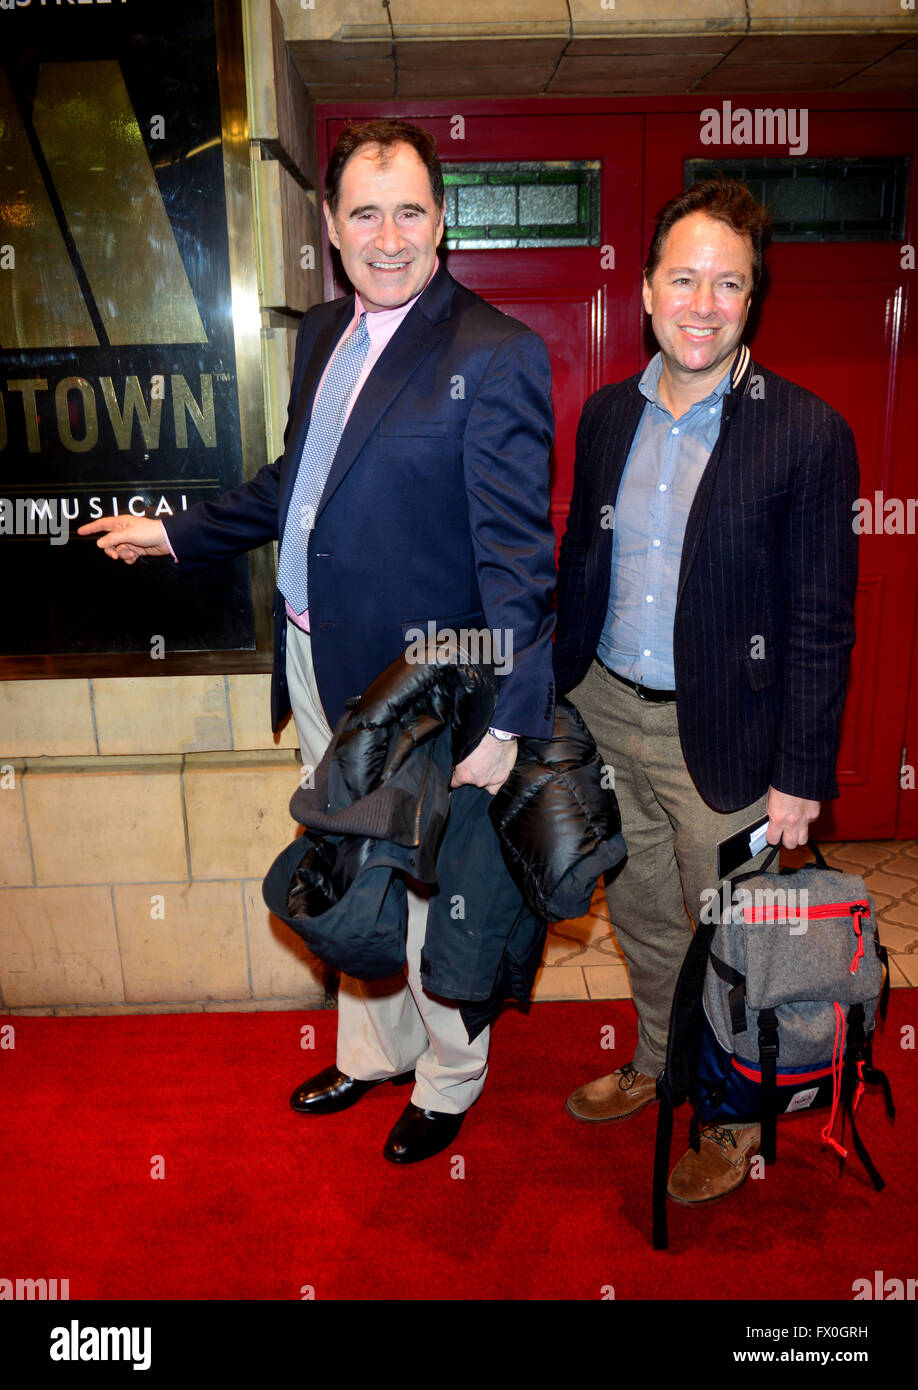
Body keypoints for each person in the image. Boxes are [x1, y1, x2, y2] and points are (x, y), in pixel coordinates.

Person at [80, 119, 557, 1164]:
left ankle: (447, 1079)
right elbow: (294, 489)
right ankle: (374, 1050)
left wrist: (509, 720)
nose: (388, 237)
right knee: (349, 869)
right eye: (365, 214)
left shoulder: (497, 354)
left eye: (411, 212)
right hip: (316, 661)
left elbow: (520, 563)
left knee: (434, 895)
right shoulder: (322, 336)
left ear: (443, 222)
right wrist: (173, 532)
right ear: (331, 228)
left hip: (424, 691)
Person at [553, 180, 858, 1205]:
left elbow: (820, 617)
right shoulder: (605, 417)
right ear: (644, 290)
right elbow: (577, 563)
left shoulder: (806, 433)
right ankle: (656, 1060)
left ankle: (732, 1115)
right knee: (638, 911)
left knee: (736, 934)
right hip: (605, 711)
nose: (703, 300)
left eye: (729, 283)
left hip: (724, 740)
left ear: (752, 299)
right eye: (683, 277)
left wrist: (800, 778)